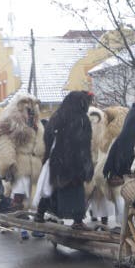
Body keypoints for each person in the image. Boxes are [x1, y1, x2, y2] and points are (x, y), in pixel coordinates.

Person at [34, 91, 95, 230]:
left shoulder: (57, 116)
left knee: (51, 187)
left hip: (57, 159)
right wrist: (87, 166)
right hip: (75, 162)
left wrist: (51, 154)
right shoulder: (81, 119)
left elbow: (47, 137)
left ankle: (40, 212)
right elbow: (84, 145)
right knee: (76, 191)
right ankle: (78, 221)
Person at [0, 92, 44, 212]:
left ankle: (31, 224)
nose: (30, 113)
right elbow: (4, 144)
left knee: (33, 198)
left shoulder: (37, 125)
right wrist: (8, 163)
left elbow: (41, 143)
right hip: (19, 165)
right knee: (19, 193)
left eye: (32, 110)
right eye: (28, 110)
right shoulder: (10, 124)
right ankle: (17, 217)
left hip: (34, 166)